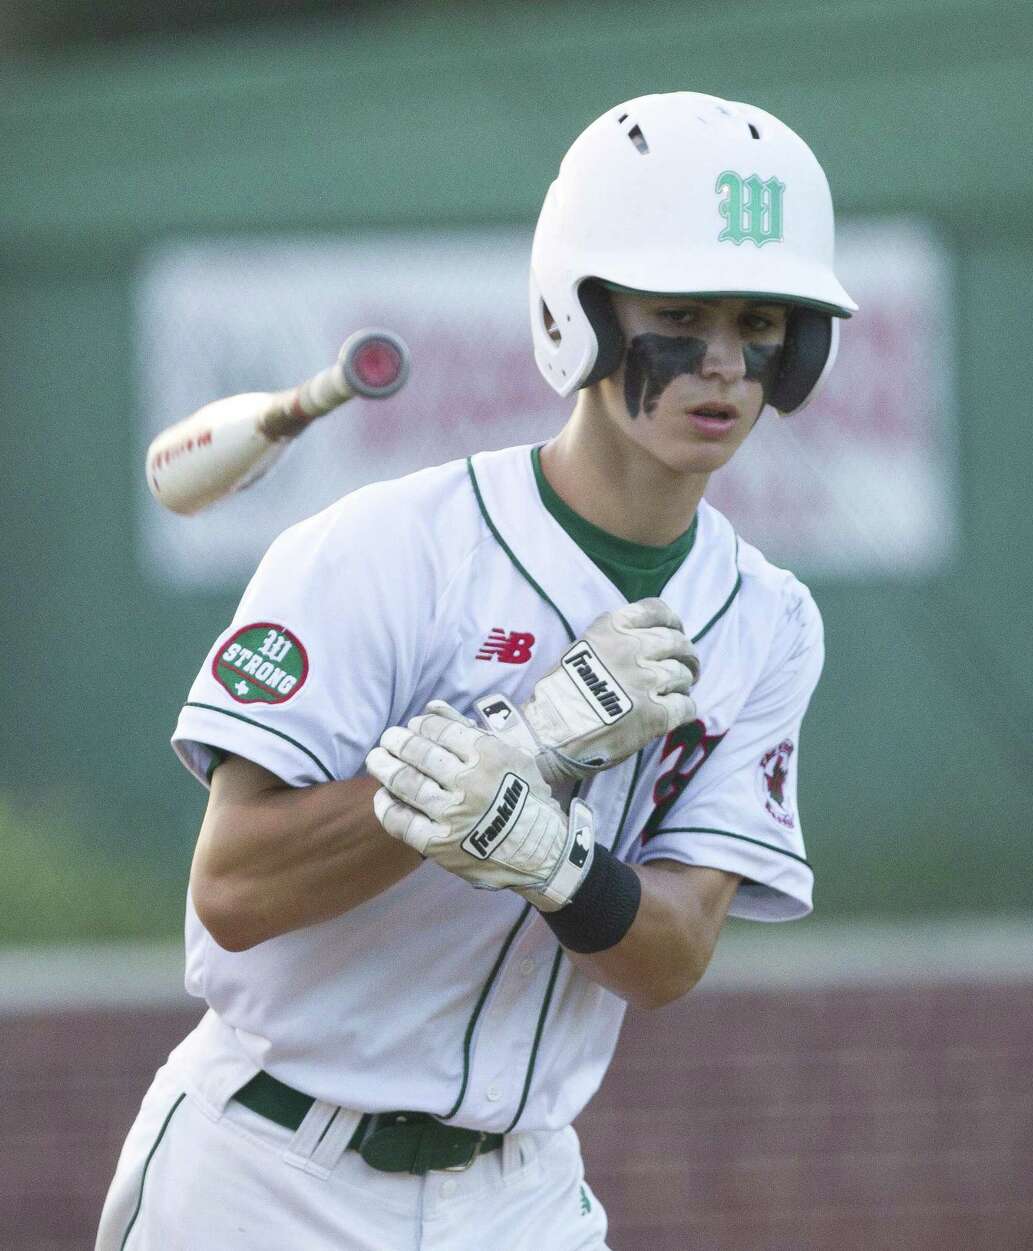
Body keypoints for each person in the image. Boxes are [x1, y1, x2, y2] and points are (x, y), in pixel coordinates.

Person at [96, 90, 856, 1251]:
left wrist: (553, 859)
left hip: (521, 1194)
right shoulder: (386, 547)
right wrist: (524, 742)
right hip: (265, 1171)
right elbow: (234, 893)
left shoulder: (768, 622)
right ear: (582, 313)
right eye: (679, 312)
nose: (723, 362)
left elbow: (669, 960)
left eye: (759, 321)